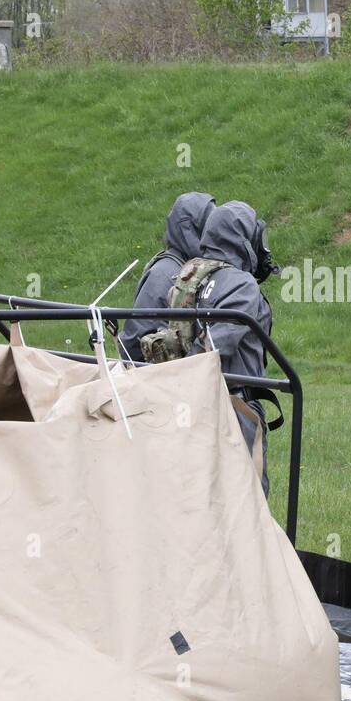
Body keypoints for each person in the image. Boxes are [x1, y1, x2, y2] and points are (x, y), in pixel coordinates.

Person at [145, 200, 278, 495]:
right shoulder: (241, 284)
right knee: (248, 503)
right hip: (233, 406)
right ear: (242, 238)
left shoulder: (191, 274)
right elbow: (218, 348)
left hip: (188, 404)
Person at [119, 192, 216, 362]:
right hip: (161, 378)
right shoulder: (164, 273)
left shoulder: (194, 269)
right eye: (208, 227)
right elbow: (134, 342)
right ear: (190, 229)